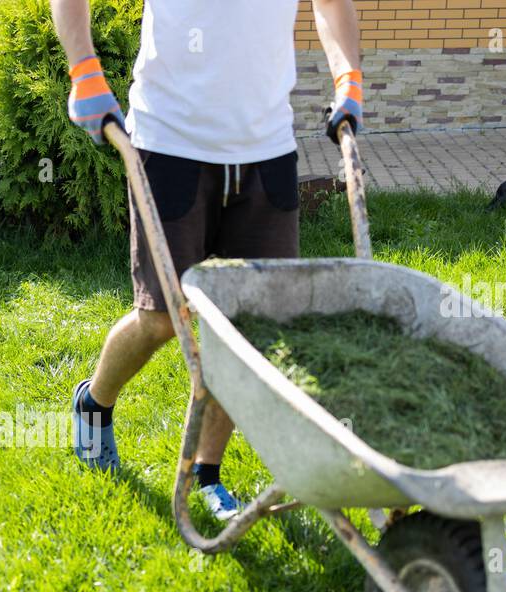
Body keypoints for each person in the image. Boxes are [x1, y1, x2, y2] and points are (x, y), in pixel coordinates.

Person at [55, 0, 363, 518]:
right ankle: (95, 401)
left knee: (246, 333)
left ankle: (205, 472)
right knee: (160, 318)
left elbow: (332, 4)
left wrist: (349, 79)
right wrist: (84, 71)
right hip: (170, 143)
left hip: (266, 151)